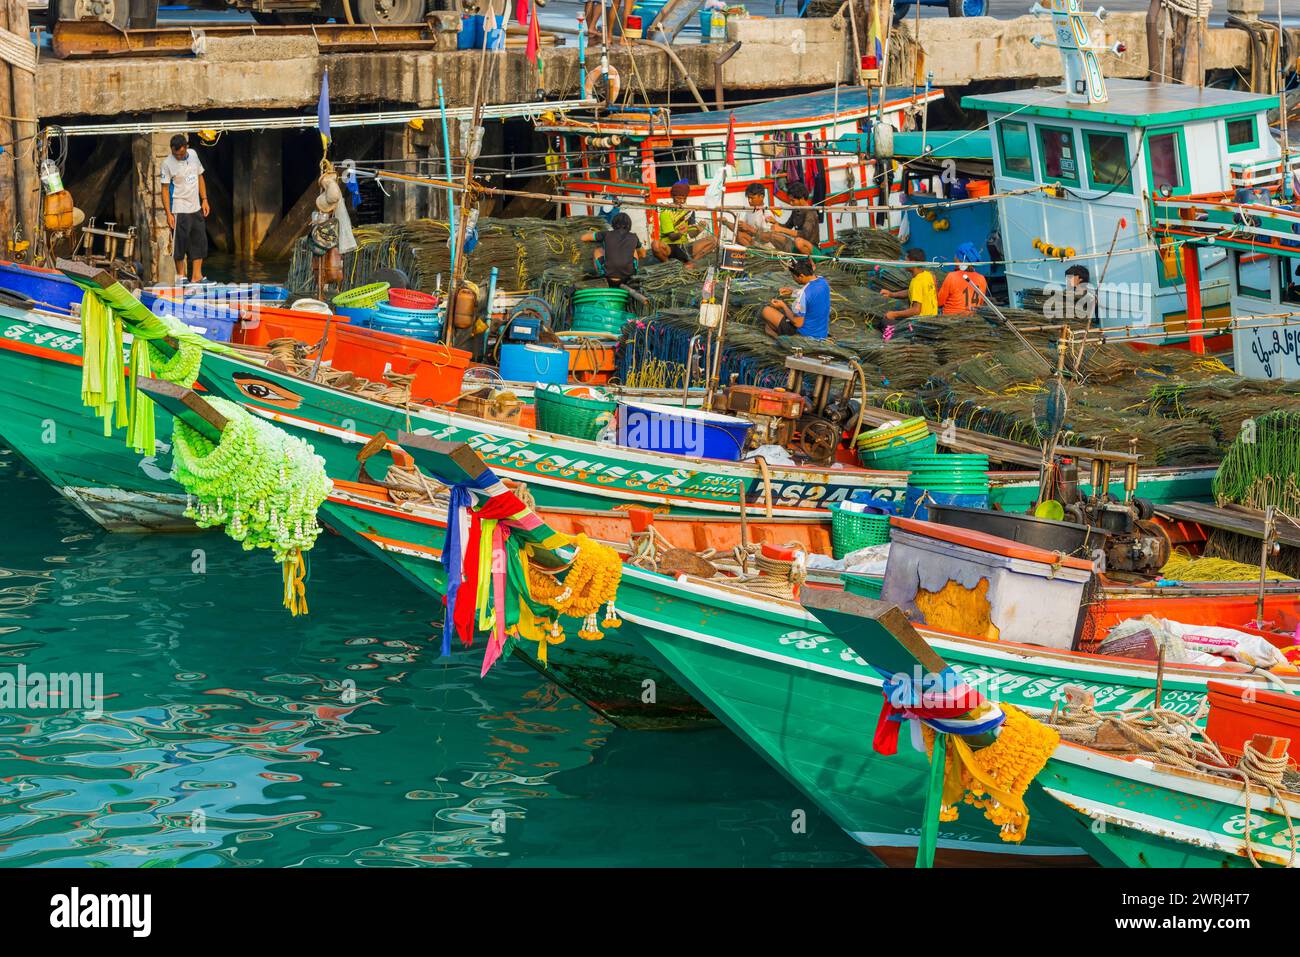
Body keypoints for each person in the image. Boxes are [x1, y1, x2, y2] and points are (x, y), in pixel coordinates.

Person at [160, 133, 209, 284]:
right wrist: (168, 213)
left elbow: (200, 176)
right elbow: (165, 190)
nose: (178, 157)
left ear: (186, 147)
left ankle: (197, 276)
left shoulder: (193, 154)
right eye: (175, 154)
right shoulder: (167, 164)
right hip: (179, 208)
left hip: (195, 207)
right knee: (180, 245)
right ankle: (181, 277)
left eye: (181, 154)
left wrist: (204, 199)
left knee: (199, 241)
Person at [761, 257, 830, 340]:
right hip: (821, 332)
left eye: (793, 276)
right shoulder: (822, 281)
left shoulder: (803, 294)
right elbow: (811, 295)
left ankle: (782, 341)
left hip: (805, 335)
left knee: (766, 311)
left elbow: (798, 323)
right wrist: (792, 291)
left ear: (801, 276)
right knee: (769, 325)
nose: (793, 278)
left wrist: (783, 306)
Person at [651, 180, 717, 266]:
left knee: (714, 240)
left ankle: (691, 264)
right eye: (678, 198)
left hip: (685, 246)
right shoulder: (665, 212)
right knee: (655, 244)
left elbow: (691, 234)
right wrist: (681, 233)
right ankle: (667, 264)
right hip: (669, 248)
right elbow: (671, 237)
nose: (682, 201)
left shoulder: (689, 211)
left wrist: (699, 229)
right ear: (672, 196)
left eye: (684, 198)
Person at [881, 248, 938, 328]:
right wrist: (892, 294)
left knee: (885, 321)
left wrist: (894, 314)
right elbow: (913, 291)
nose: (904, 263)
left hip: (921, 324)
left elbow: (916, 310)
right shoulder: (930, 276)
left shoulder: (917, 282)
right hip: (934, 320)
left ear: (913, 262)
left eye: (906, 260)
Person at [585, 212, 643, 287]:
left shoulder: (606, 234)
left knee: (597, 250)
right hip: (628, 275)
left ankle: (600, 273)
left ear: (613, 223)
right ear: (629, 225)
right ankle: (633, 271)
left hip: (608, 276)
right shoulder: (634, 236)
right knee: (634, 250)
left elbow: (584, 238)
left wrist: (590, 232)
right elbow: (643, 253)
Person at [763, 180, 818, 255]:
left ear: (801, 199)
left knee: (798, 241)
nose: (791, 203)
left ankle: (810, 262)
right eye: (790, 201)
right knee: (772, 236)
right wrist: (775, 222)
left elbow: (804, 234)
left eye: (793, 201)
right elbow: (787, 226)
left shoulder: (811, 213)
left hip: (810, 247)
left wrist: (781, 229)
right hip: (797, 243)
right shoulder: (796, 210)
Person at [936, 243, 989, 315]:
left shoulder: (952, 276)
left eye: (956, 257)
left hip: (951, 319)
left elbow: (939, 302)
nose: (954, 259)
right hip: (973, 318)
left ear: (960, 260)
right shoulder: (981, 278)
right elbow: (980, 302)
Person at [735, 182, 769, 247]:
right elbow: (742, 228)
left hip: (764, 246)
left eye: (752, 198)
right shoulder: (749, 211)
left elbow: (767, 238)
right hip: (754, 242)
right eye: (748, 198)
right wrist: (726, 223)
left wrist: (748, 228)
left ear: (761, 197)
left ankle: (753, 254)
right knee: (738, 235)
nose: (749, 201)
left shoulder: (767, 213)